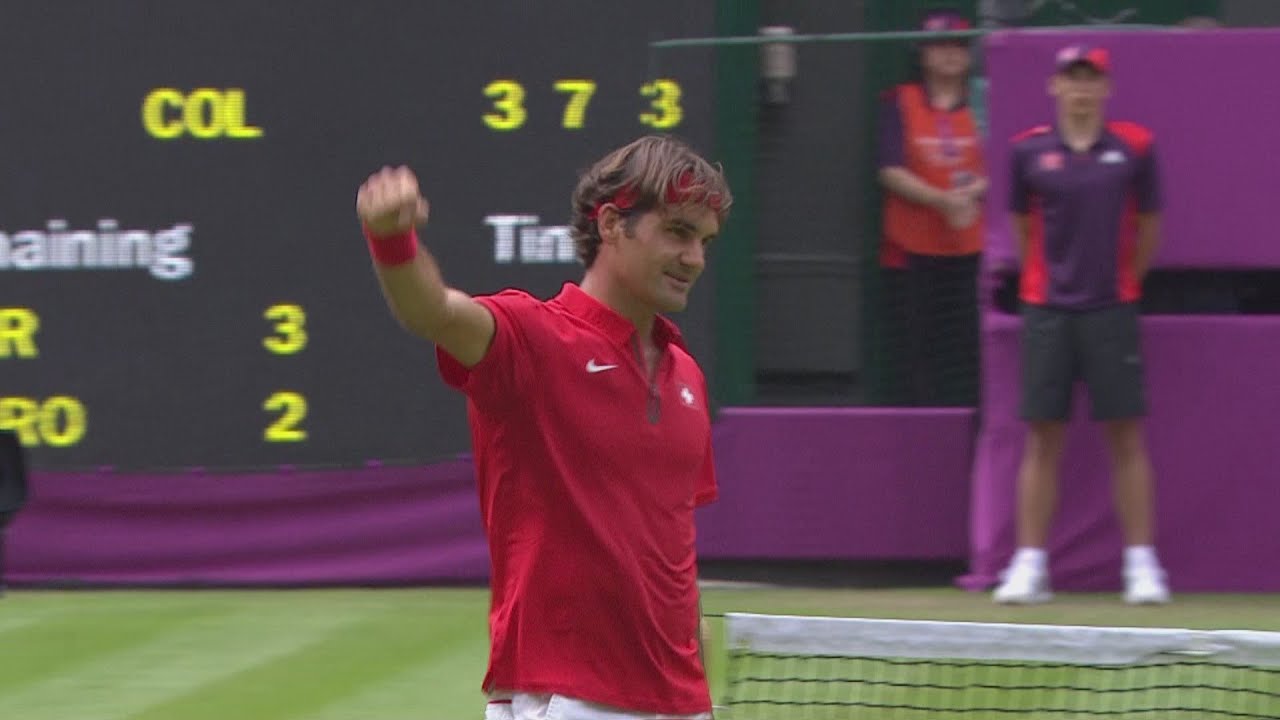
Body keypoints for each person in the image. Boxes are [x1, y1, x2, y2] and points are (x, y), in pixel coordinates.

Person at [355, 135, 730, 719]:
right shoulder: (531, 339)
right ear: (611, 224)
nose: (695, 259)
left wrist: (696, 690)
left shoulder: (688, 378)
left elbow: (675, 551)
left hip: (678, 703)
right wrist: (391, 239)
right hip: (567, 699)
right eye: (678, 232)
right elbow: (431, 310)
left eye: (705, 241)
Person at [993, 45, 1169, 605]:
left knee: (1125, 435)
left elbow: (1148, 226)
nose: (1082, 89)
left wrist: (1124, 283)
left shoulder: (1135, 149)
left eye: (1091, 79)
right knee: (1043, 438)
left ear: (1105, 89)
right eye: (1072, 79)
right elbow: (1022, 228)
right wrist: (1045, 284)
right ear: (1056, 87)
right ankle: (1030, 564)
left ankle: (1142, 566)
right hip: (1047, 309)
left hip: (1112, 309)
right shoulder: (1029, 153)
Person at [876, 7, 988, 407]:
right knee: (916, 352)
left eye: (959, 45)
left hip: (973, 251)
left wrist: (974, 192)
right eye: (940, 45)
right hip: (913, 253)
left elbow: (1007, 163)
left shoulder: (985, 102)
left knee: (972, 354)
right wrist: (941, 200)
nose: (950, 54)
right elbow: (889, 170)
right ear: (923, 53)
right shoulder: (900, 101)